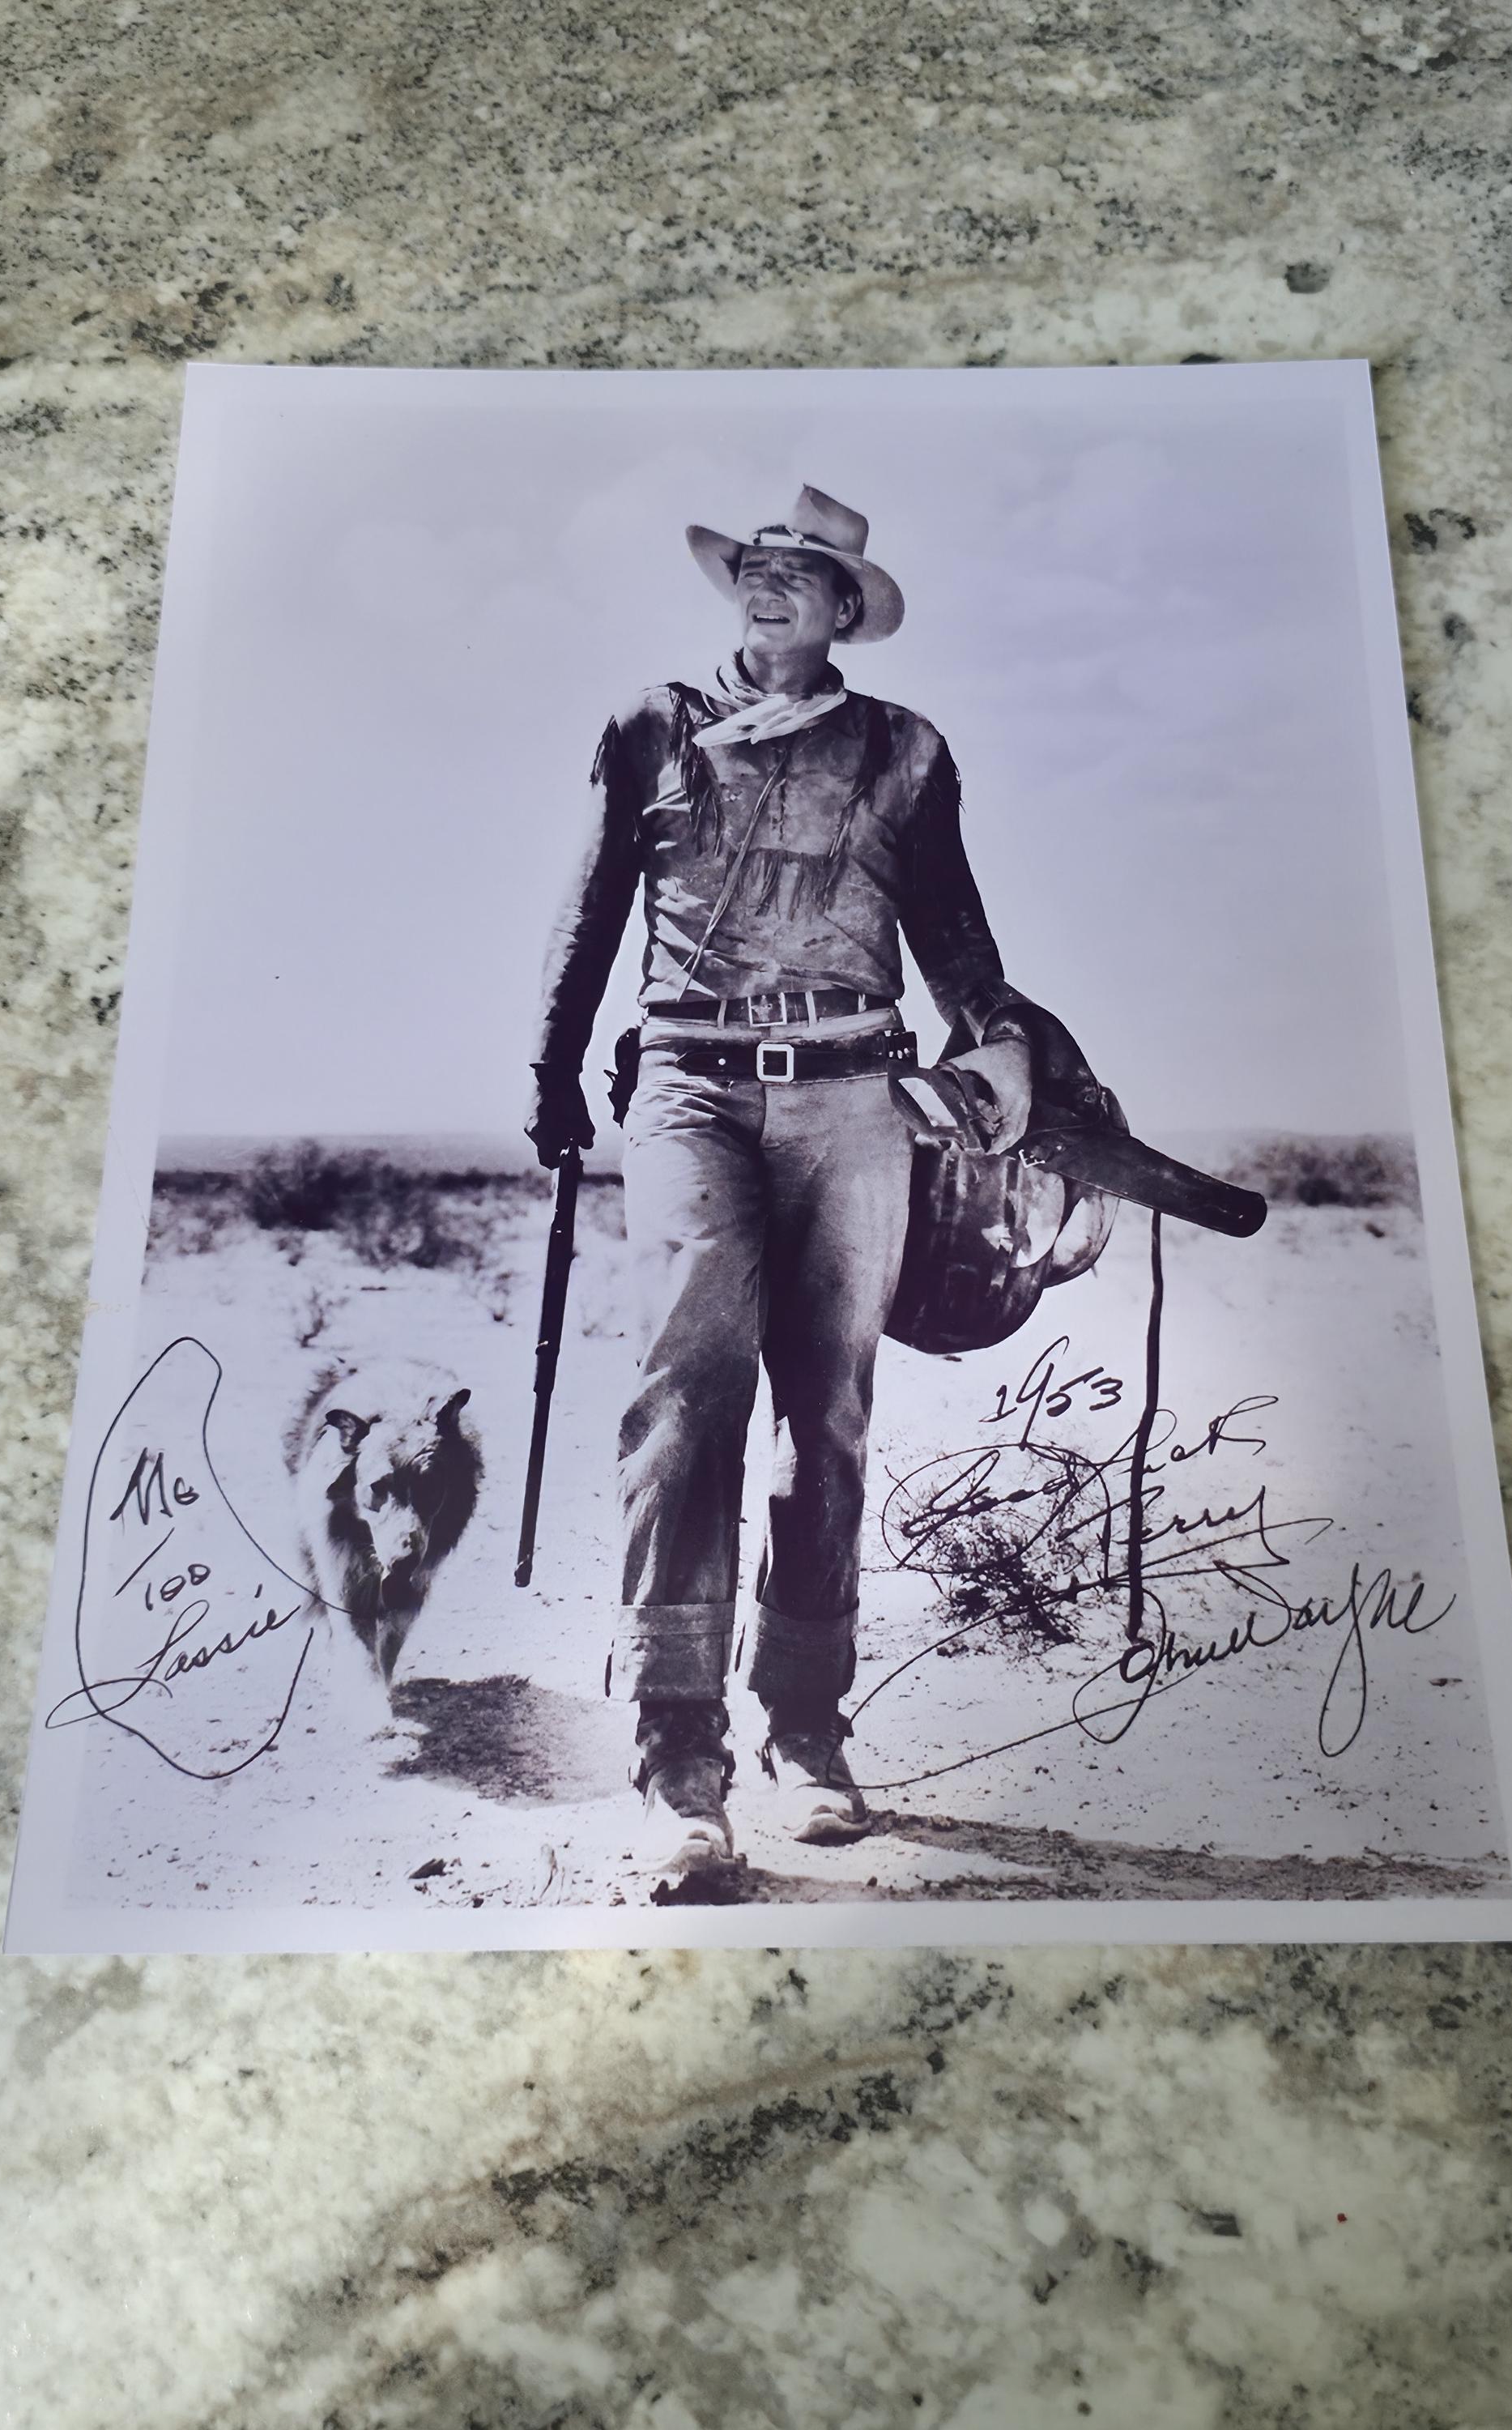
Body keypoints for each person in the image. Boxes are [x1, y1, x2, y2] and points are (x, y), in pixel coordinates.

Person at [527, 486, 1037, 1874]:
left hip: (854, 1090)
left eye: (798, 577)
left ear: (843, 612)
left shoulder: (904, 748)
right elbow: (594, 903)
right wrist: (553, 1064)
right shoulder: (653, 724)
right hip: (688, 1088)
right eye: (753, 570)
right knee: (689, 1398)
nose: (767, 588)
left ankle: (806, 1729)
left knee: (831, 1409)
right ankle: (677, 1755)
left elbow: (950, 922)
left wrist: (997, 1036)